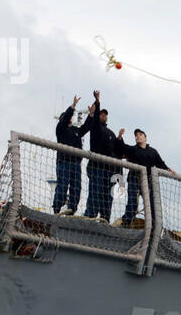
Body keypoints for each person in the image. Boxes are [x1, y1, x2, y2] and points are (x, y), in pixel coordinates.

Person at [115, 129, 171, 227]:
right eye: (136, 135)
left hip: (149, 182)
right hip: (134, 179)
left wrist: (169, 170)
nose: (138, 136)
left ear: (145, 137)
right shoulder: (133, 150)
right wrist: (120, 137)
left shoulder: (153, 152)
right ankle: (126, 223)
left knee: (153, 206)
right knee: (132, 203)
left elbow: (160, 164)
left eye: (140, 135)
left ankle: (154, 227)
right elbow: (122, 148)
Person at [82, 91, 119, 222]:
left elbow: (117, 153)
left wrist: (118, 175)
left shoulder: (111, 133)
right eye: (101, 114)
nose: (103, 116)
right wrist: (97, 102)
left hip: (109, 171)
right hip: (96, 168)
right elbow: (95, 118)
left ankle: (105, 220)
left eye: (105, 115)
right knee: (95, 194)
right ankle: (89, 217)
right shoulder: (95, 128)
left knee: (107, 197)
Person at [53, 95, 86, 215]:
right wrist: (73, 106)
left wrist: (92, 114)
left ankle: (71, 210)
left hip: (76, 164)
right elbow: (66, 117)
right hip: (64, 162)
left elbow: (86, 127)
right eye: (67, 118)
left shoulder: (76, 131)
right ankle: (57, 208)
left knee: (76, 188)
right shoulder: (60, 129)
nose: (70, 119)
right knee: (62, 187)